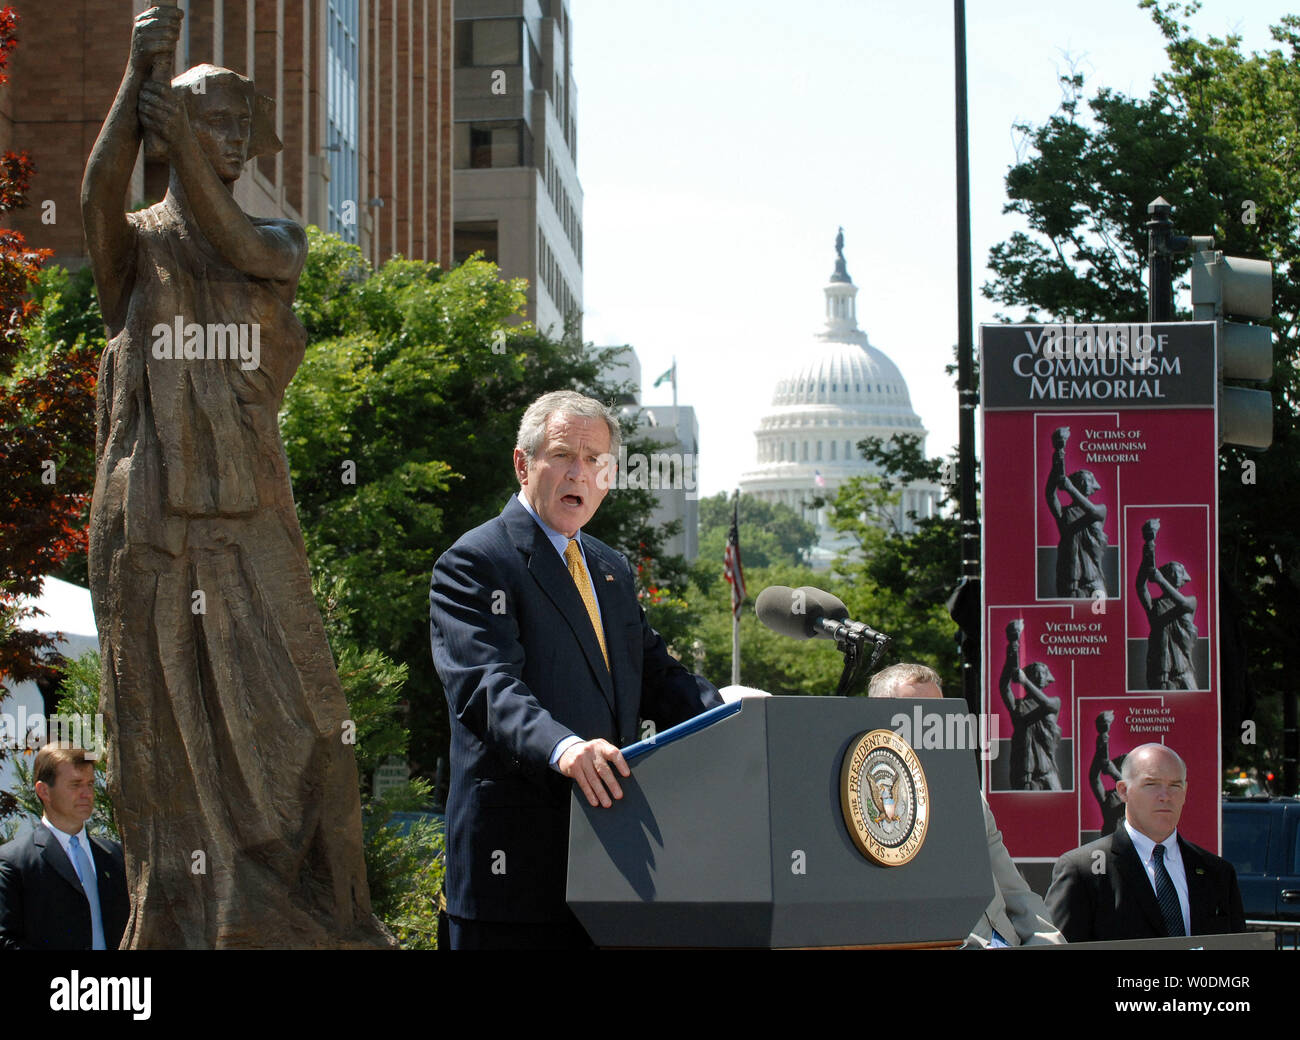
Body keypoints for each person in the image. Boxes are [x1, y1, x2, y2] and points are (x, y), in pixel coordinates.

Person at [82, 8, 380, 946]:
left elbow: (244, 249)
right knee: (164, 722)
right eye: (211, 123)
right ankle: (193, 923)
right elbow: (95, 193)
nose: (231, 142)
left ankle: (323, 913)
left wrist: (172, 141)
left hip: (252, 517)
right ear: (175, 128)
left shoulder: (275, 242)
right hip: (152, 517)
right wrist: (138, 87)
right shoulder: (136, 249)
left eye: (240, 130)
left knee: (309, 719)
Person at [429, 390, 721, 948]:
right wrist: (566, 748)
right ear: (523, 463)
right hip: (511, 878)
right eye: (564, 455)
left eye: (596, 462)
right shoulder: (475, 561)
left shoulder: (610, 568)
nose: (579, 474)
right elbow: (488, 687)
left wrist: (735, 710)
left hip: (612, 869)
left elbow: (659, 676)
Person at [866, 664, 1064, 948]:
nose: (926, 725)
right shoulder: (871, 805)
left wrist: (1046, 942)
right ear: (878, 719)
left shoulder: (969, 796)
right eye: (911, 713)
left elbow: (1017, 893)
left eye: (936, 714)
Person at [1045, 743, 1245, 942]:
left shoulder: (1218, 873)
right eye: (1151, 784)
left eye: (1175, 785)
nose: (1165, 796)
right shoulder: (1083, 871)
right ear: (1123, 790)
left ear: (1185, 792)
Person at [0, 746, 130, 950]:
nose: (87, 794)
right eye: (75, 785)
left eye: (90, 784)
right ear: (43, 791)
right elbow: (6, 941)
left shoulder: (116, 856)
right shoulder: (14, 861)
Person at [999, 620, 1062, 790]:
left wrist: (1024, 682)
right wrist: (1011, 654)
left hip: (1047, 770)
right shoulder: (1018, 706)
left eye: (1043, 673)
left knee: (1061, 809)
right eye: (1035, 673)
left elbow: (1047, 704)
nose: (1040, 676)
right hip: (1024, 772)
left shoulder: (1054, 702)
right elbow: (1003, 687)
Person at [1136, 519, 1199, 689]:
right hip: (1160, 674)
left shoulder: (1190, 601)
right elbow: (1140, 586)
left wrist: (1160, 580)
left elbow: (1183, 603)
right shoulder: (1154, 606)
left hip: (1184, 672)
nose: (1175, 573)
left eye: (1178, 571)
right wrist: (1149, 544)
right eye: (1171, 571)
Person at [1045, 426, 1107, 598]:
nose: (1084, 483)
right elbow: (1050, 494)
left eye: (1087, 480)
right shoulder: (1065, 514)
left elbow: (1092, 511)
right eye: (1080, 480)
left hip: (1095, 582)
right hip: (1070, 582)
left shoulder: (1100, 510)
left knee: (1101, 620)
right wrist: (1056, 464)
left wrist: (1070, 488)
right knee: (1070, 623)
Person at [1089, 711, 1126, 837]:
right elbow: (1094, 778)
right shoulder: (1109, 797)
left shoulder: (1138, 794)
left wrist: (1114, 773)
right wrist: (1102, 741)